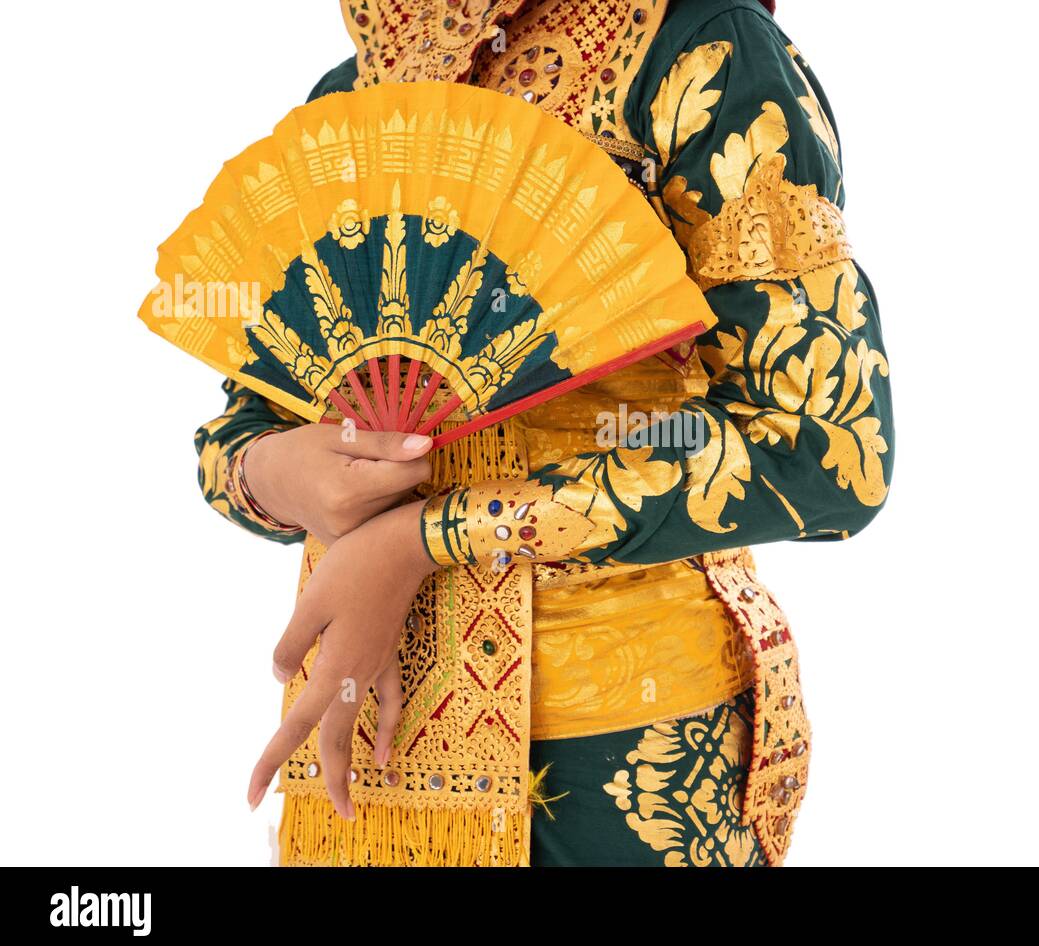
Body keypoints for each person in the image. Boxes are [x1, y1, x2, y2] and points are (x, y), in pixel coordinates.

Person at [194, 0, 893, 866]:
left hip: (620, 747)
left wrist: (425, 539)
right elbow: (246, 415)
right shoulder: (355, 94)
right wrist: (272, 471)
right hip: (361, 733)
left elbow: (820, 447)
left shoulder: (695, 55)